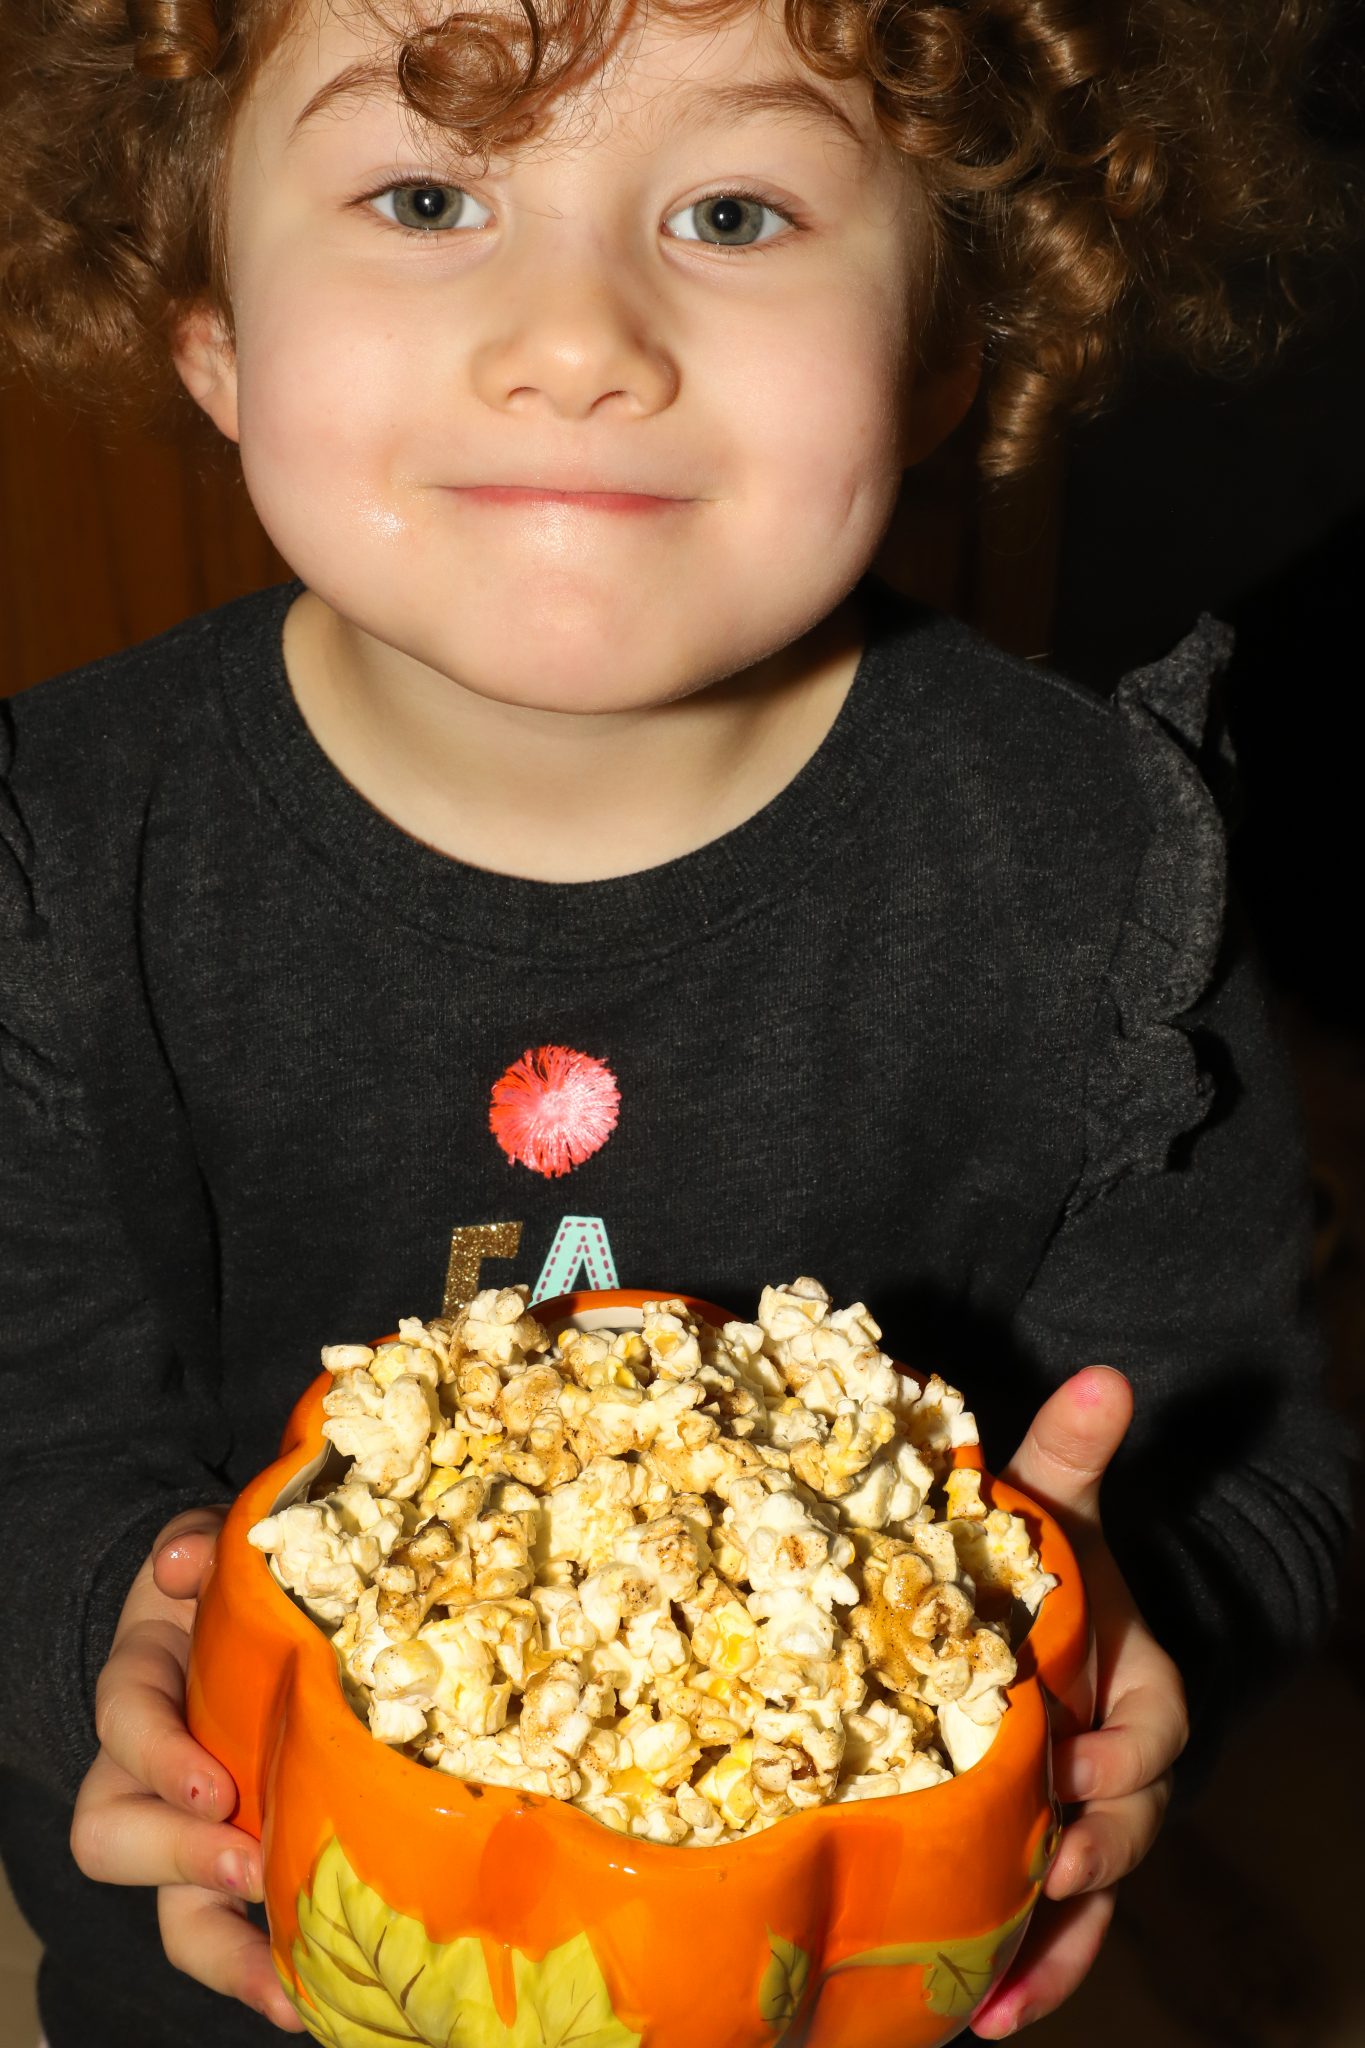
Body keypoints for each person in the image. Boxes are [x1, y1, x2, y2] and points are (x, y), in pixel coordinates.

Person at [0, 0, 1356, 2038]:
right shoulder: (52, 858)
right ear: (210, 330)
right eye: (427, 192)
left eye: (730, 209)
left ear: (943, 344)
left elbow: (1261, 1458)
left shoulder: (1104, 875)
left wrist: (1154, 1619)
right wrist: (115, 1618)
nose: (576, 338)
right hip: (238, 1941)